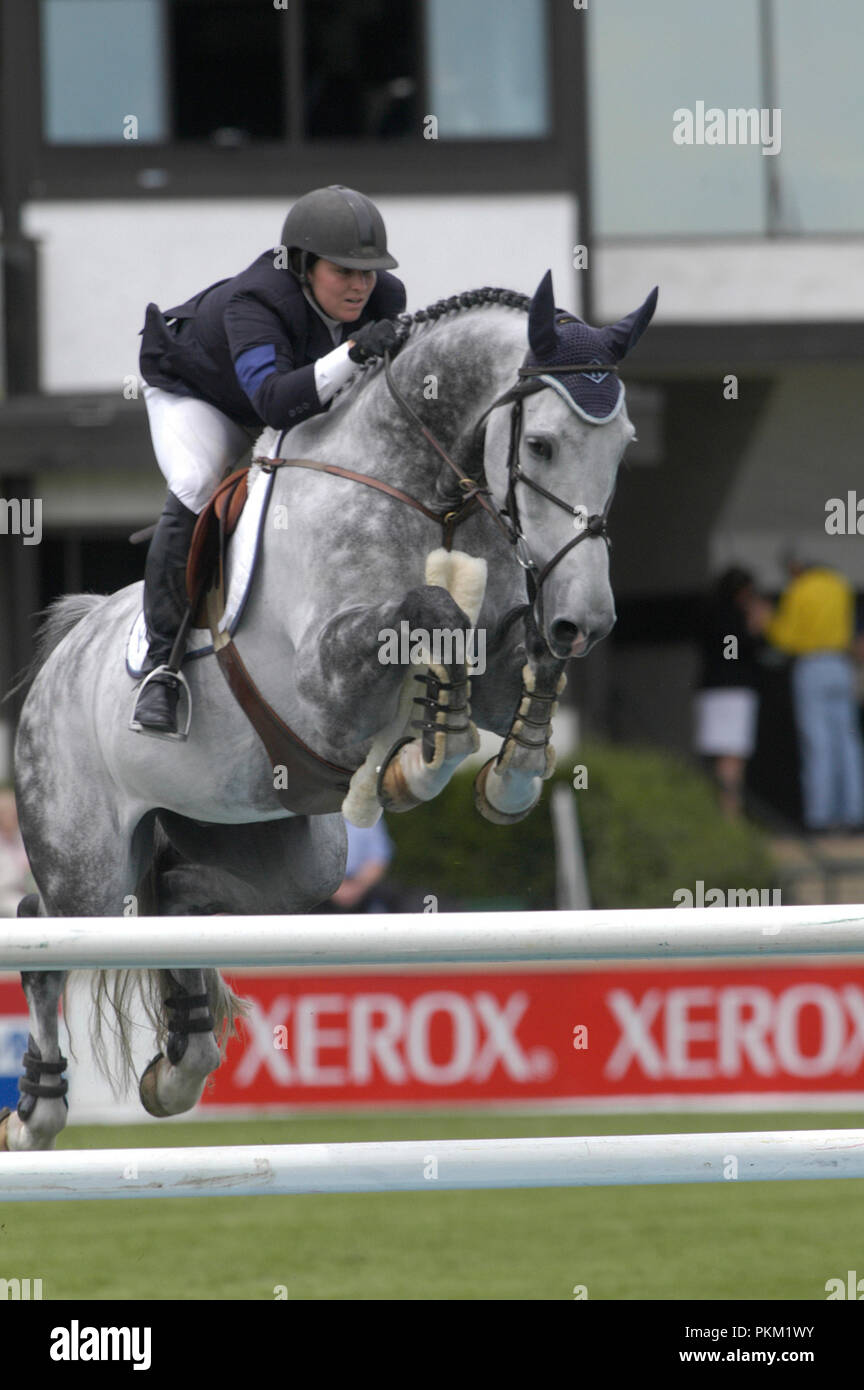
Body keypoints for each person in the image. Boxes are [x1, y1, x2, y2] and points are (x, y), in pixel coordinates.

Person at [133, 185, 406, 737]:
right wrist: (353, 353)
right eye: (344, 271)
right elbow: (275, 404)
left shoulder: (383, 298)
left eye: (367, 272)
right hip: (199, 395)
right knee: (198, 480)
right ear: (304, 266)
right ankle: (160, 668)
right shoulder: (256, 301)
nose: (359, 286)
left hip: (278, 399)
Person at [754, 548, 864, 833]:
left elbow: (787, 639)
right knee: (848, 745)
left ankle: (820, 818)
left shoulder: (799, 589)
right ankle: (853, 813)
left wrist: (767, 623)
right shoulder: (840, 585)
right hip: (841, 665)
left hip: (812, 666)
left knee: (818, 745)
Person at [693, 567, 762, 818]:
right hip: (733, 691)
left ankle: (723, 810)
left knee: (719, 756)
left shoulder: (708, 613)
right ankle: (729, 814)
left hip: (711, 691)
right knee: (732, 756)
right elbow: (734, 650)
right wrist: (754, 627)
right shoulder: (735, 617)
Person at [327, 819, 395, 913]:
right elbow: (309, 860)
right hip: (323, 891)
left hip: (364, 889)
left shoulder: (369, 813)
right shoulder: (312, 817)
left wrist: (358, 886)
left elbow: (379, 858)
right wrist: (332, 889)